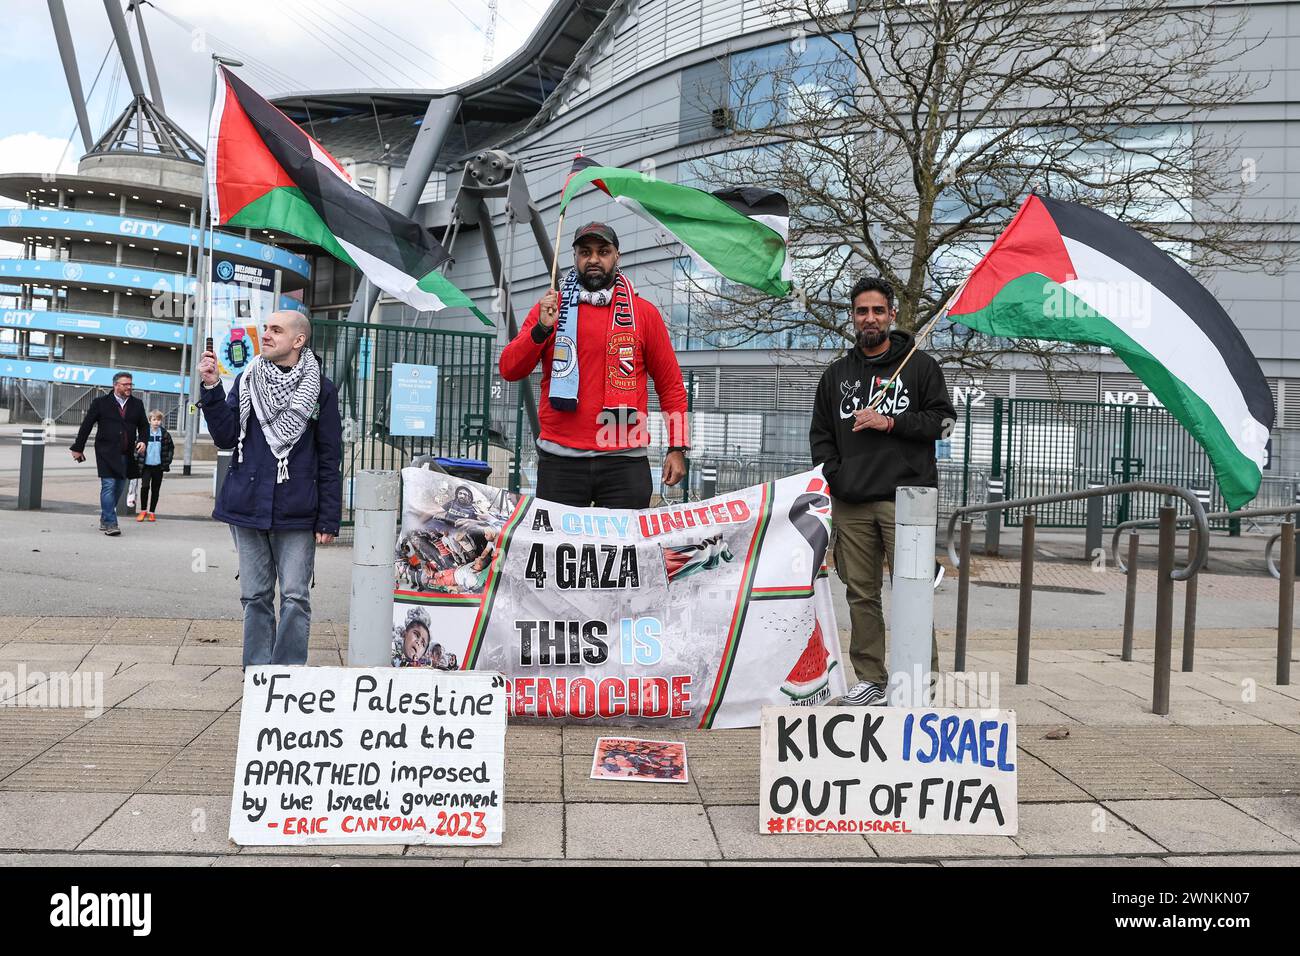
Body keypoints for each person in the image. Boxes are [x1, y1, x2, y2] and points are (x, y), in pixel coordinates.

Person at [810, 276, 956, 706]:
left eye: (878, 310)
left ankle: (917, 682)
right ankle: (870, 680)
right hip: (851, 504)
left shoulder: (920, 366)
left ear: (892, 314)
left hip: (906, 502)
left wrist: (891, 422)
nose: (869, 318)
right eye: (861, 311)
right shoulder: (837, 374)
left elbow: (943, 423)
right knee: (860, 594)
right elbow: (821, 435)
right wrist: (837, 477)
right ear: (853, 317)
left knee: (912, 591)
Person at [499, 222, 689, 509]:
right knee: (558, 554)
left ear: (617, 257)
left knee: (624, 552)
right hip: (560, 462)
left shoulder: (644, 314)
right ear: (575, 257)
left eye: (603, 251)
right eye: (585, 252)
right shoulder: (551, 309)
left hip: (625, 461)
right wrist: (540, 329)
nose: (594, 259)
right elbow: (509, 369)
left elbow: (671, 384)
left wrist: (677, 447)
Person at [197, 310, 342, 667]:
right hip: (246, 506)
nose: (267, 335)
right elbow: (226, 436)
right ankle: (260, 674)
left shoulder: (321, 390)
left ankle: (288, 676)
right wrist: (213, 387)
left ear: (298, 340)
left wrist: (328, 519)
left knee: (295, 596)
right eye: (265, 328)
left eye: (276, 330)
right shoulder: (247, 379)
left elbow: (329, 458)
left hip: (297, 511)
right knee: (255, 595)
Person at [70, 371, 148, 536]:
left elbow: (144, 426)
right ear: (115, 385)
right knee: (109, 485)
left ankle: (105, 517)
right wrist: (78, 447)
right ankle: (112, 523)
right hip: (106, 451)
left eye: (130, 384)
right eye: (125, 384)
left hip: (126, 453)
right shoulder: (101, 403)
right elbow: (87, 425)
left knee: (119, 487)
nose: (129, 387)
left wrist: (143, 440)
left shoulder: (137, 404)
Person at [134, 409, 175, 522]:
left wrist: (168, 460)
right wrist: (136, 460)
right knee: (145, 487)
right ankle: (143, 511)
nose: (156, 422)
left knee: (155, 490)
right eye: (154, 420)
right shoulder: (144, 433)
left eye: (159, 420)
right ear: (149, 420)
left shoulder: (165, 434)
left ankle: (152, 512)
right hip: (146, 466)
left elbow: (171, 448)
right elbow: (136, 447)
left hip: (158, 467)